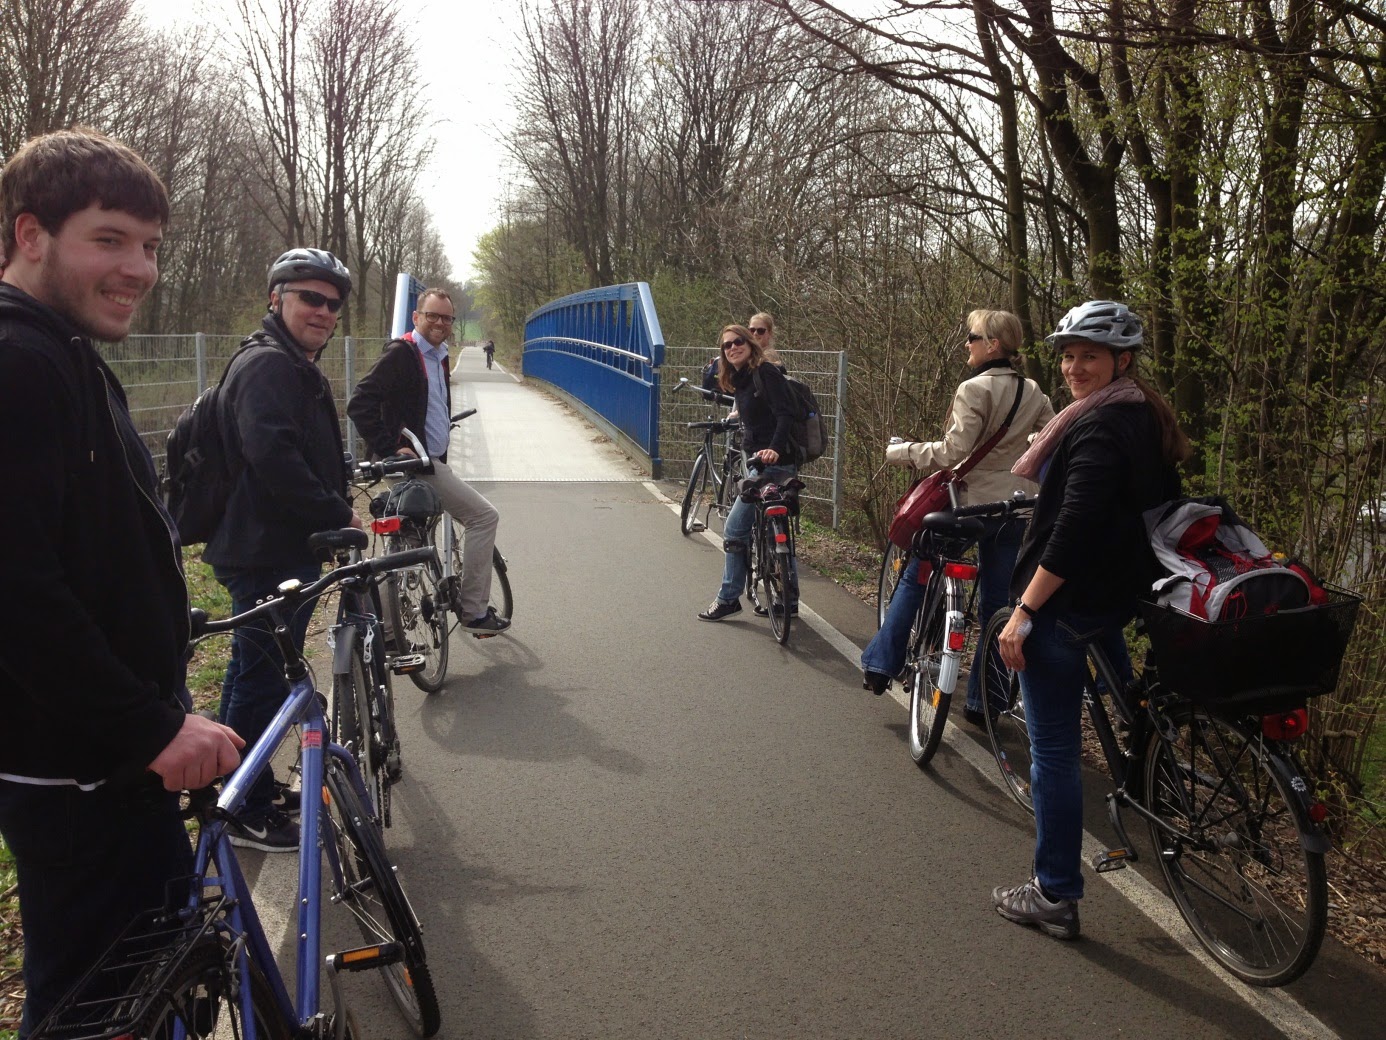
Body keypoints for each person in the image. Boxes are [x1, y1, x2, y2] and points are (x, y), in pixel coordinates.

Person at [0, 127, 244, 1037]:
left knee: (151, 980)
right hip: (84, 775)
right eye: (110, 239)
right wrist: (149, 725)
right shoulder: (19, 365)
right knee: (97, 1007)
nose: (140, 268)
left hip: (111, 757)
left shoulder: (59, 349)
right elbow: (17, 596)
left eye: (150, 246)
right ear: (31, 235)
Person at [993, 300, 1188, 940]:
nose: (1075, 367)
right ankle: (1145, 795)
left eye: (1091, 355)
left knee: (1052, 751)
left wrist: (1024, 611)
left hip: (1067, 600)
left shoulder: (1098, 428)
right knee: (1127, 710)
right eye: (1069, 355)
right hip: (1114, 593)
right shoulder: (1141, 414)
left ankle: (1054, 892)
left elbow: (1073, 527)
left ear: (1121, 360)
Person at [202, 247, 361, 852]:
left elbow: (298, 447)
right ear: (277, 298)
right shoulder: (270, 366)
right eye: (308, 298)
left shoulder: (288, 363)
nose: (322, 311)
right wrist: (335, 511)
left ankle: (242, 782)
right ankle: (243, 805)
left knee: (253, 673)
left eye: (332, 303)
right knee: (265, 680)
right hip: (265, 551)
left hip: (267, 546)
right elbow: (272, 455)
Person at [862, 310, 1054, 719]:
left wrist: (903, 452)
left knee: (918, 573)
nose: (967, 343)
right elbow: (1050, 443)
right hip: (1017, 509)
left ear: (993, 345)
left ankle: (881, 664)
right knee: (997, 605)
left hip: (969, 507)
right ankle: (985, 702)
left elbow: (952, 453)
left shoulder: (974, 388)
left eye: (973, 336)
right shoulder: (1035, 392)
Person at [348, 288, 510, 635]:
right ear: (416, 317)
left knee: (408, 537)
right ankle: (474, 611)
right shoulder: (402, 354)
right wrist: (390, 446)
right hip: (415, 464)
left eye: (447, 318)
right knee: (483, 517)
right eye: (432, 316)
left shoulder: (438, 354)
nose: (440, 323)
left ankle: (390, 631)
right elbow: (360, 402)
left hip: (425, 460)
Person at [697, 324, 800, 621]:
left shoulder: (765, 372)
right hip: (756, 461)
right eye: (726, 346)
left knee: (734, 529)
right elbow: (710, 386)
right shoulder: (741, 380)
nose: (733, 348)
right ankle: (789, 600)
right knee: (771, 529)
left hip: (775, 464)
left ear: (751, 344)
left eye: (738, 341)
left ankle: (728, 598)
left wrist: (775, 449)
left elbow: (785, 414)